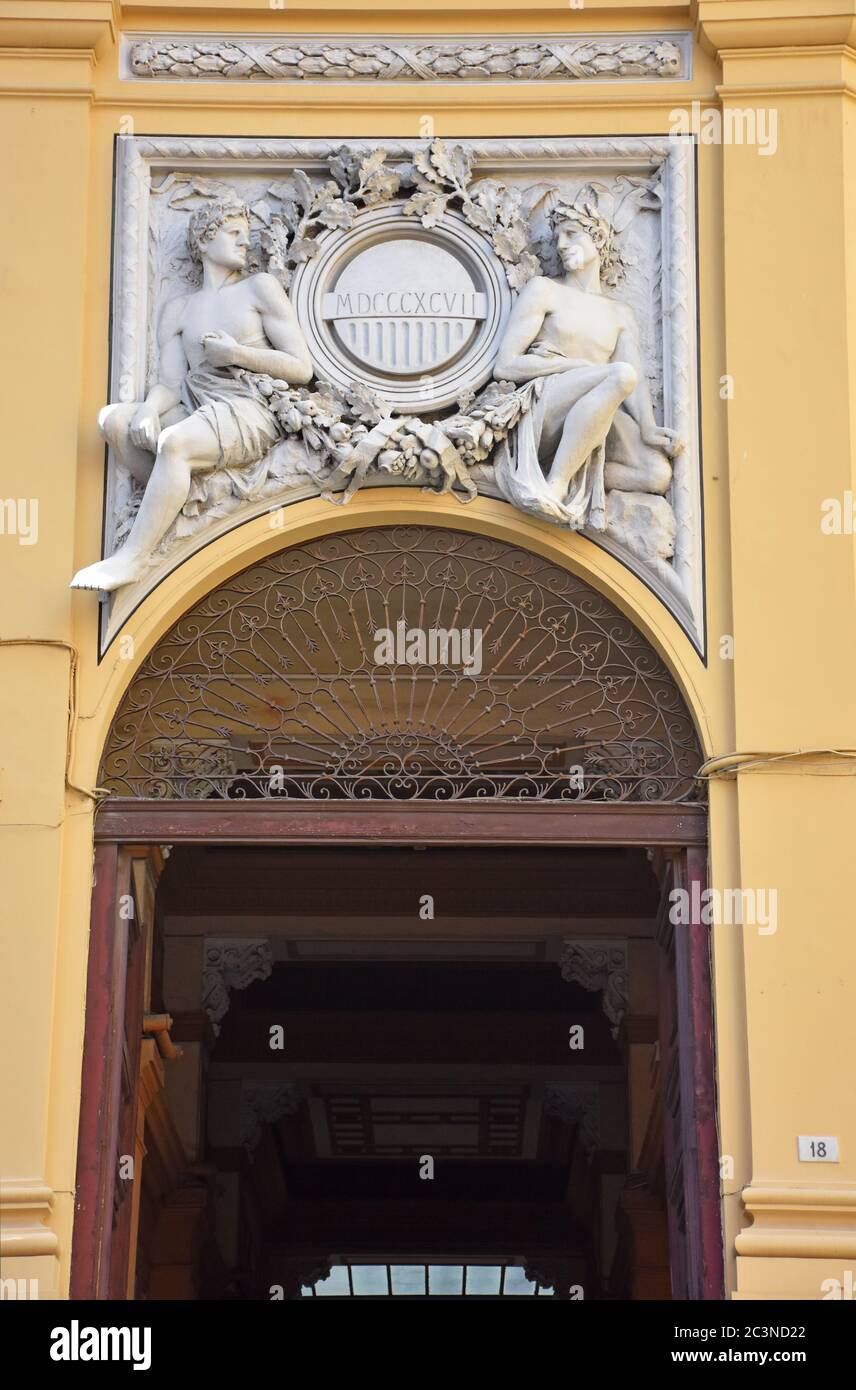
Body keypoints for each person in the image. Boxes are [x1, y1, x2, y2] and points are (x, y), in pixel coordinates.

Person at [71, 198, 313, 592]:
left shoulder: (259, 288)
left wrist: (236, 353)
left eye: (246, 236)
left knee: (175, 442)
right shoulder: (179, 309)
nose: (243, 243)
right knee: (114, 420)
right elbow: (170, 382)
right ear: (203, 240)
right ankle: (179, 499)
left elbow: (301, 368)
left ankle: (133, 556)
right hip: (195, 404)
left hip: (246, 408)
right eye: (233, 234)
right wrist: (148, 410)